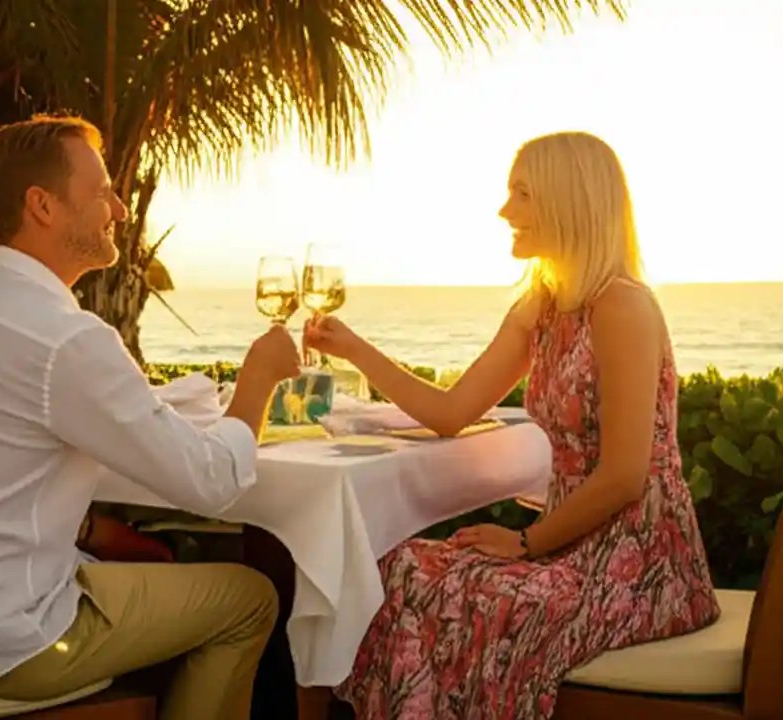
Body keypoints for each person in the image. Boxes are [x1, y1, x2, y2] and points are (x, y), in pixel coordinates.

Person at [0, 115, 301, 720]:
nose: (119, 209)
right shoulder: (64, 339)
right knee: (248, 598)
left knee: (138, 568)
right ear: (42, 206)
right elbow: (213, 481)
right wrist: (259, 379)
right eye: (102, 192)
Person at [304, 131, 720, 719]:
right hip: (568, 549)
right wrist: (353, 348)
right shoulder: (540, 308)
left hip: (642, 567)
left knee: (471, 598)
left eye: (522, 194)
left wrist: (525, 543)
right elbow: (451, 412)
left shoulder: (622, 306)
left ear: (568, 200)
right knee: (398, 570)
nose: (505, 212)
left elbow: (625, 477)